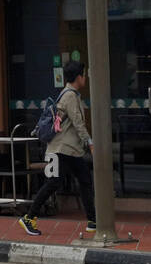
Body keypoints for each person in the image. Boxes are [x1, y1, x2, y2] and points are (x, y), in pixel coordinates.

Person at [18, 60, 96, 237]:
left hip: (68, 150)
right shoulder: (70, 96)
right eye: (83, 75)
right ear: (78, 77)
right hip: (62, 149)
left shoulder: (70, 94)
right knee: (55, 183)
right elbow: (78, 123)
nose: (85, 78)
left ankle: (93, 220)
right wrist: (90, 143)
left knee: (84, 180)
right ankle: (29, 218)